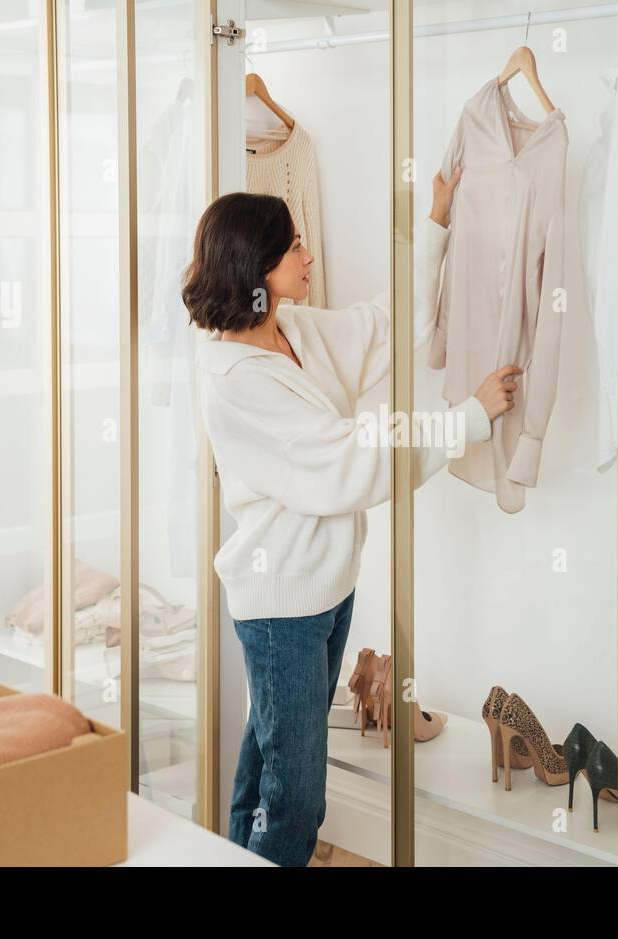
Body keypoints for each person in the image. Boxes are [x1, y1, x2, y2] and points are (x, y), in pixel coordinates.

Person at [181, 167, 518, 866]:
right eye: (294, 248)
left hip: (324, 591)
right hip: (282, 611)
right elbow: (350, 461)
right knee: (298, 796)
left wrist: (435, 223)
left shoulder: (290, 330)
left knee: (265, 769)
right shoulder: (237, 380)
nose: (308, 257)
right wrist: (468, 421)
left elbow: (380, 325)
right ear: (258, 267)